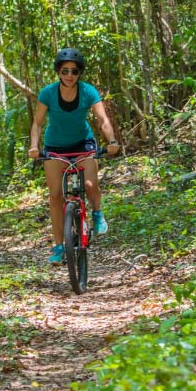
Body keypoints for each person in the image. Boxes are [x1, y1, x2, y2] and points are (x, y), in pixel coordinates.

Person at [28, 48, 120, 265]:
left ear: (80, 73)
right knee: (55, 196)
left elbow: (102, 119)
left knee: (89, 184)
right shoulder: (48, 93)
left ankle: (96, 213)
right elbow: (37, 123)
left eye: (75, 71)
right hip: (55, 147)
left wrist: (112, 141)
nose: (70, 75)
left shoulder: (88, 91)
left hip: (83, 144)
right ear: (58, 71)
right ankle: (59, 247)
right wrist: (34, 146)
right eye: (65, 70)